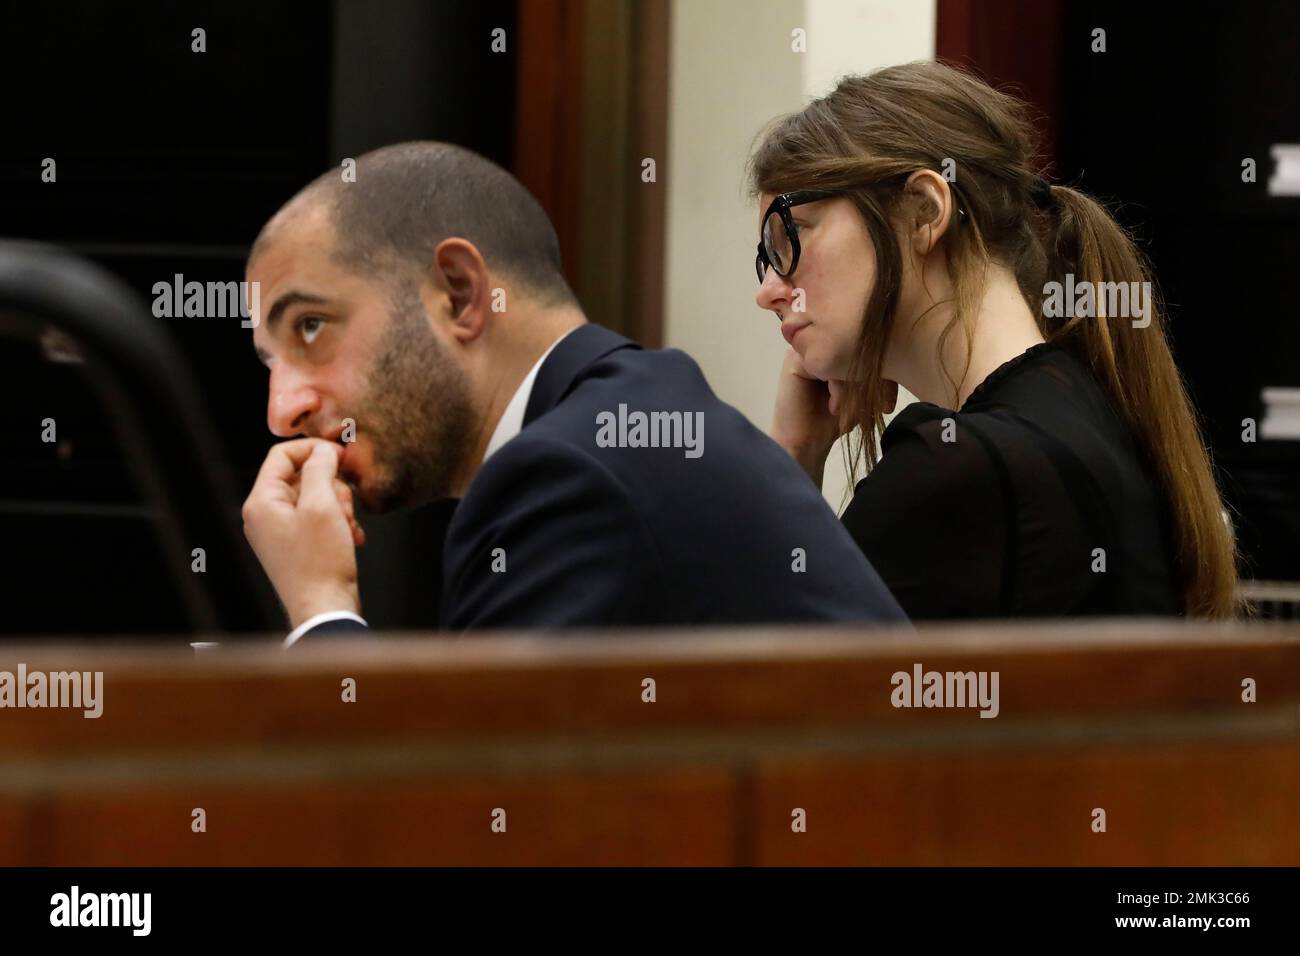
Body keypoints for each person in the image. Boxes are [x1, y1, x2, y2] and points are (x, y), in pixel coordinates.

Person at [241, 142, 905, 644]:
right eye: (270, 361)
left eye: (312, 326)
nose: (282, 409)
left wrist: (320, 604)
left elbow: (441, 818)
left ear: (459, 293)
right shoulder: (625, 413)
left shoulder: (568, 475)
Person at [752, 61, 1238, 620]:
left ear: (923, 211)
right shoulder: (1088, 412)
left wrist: (792, 458)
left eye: (789, 236)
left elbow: (756, 691)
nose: (769, 292)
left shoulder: (959, 473)